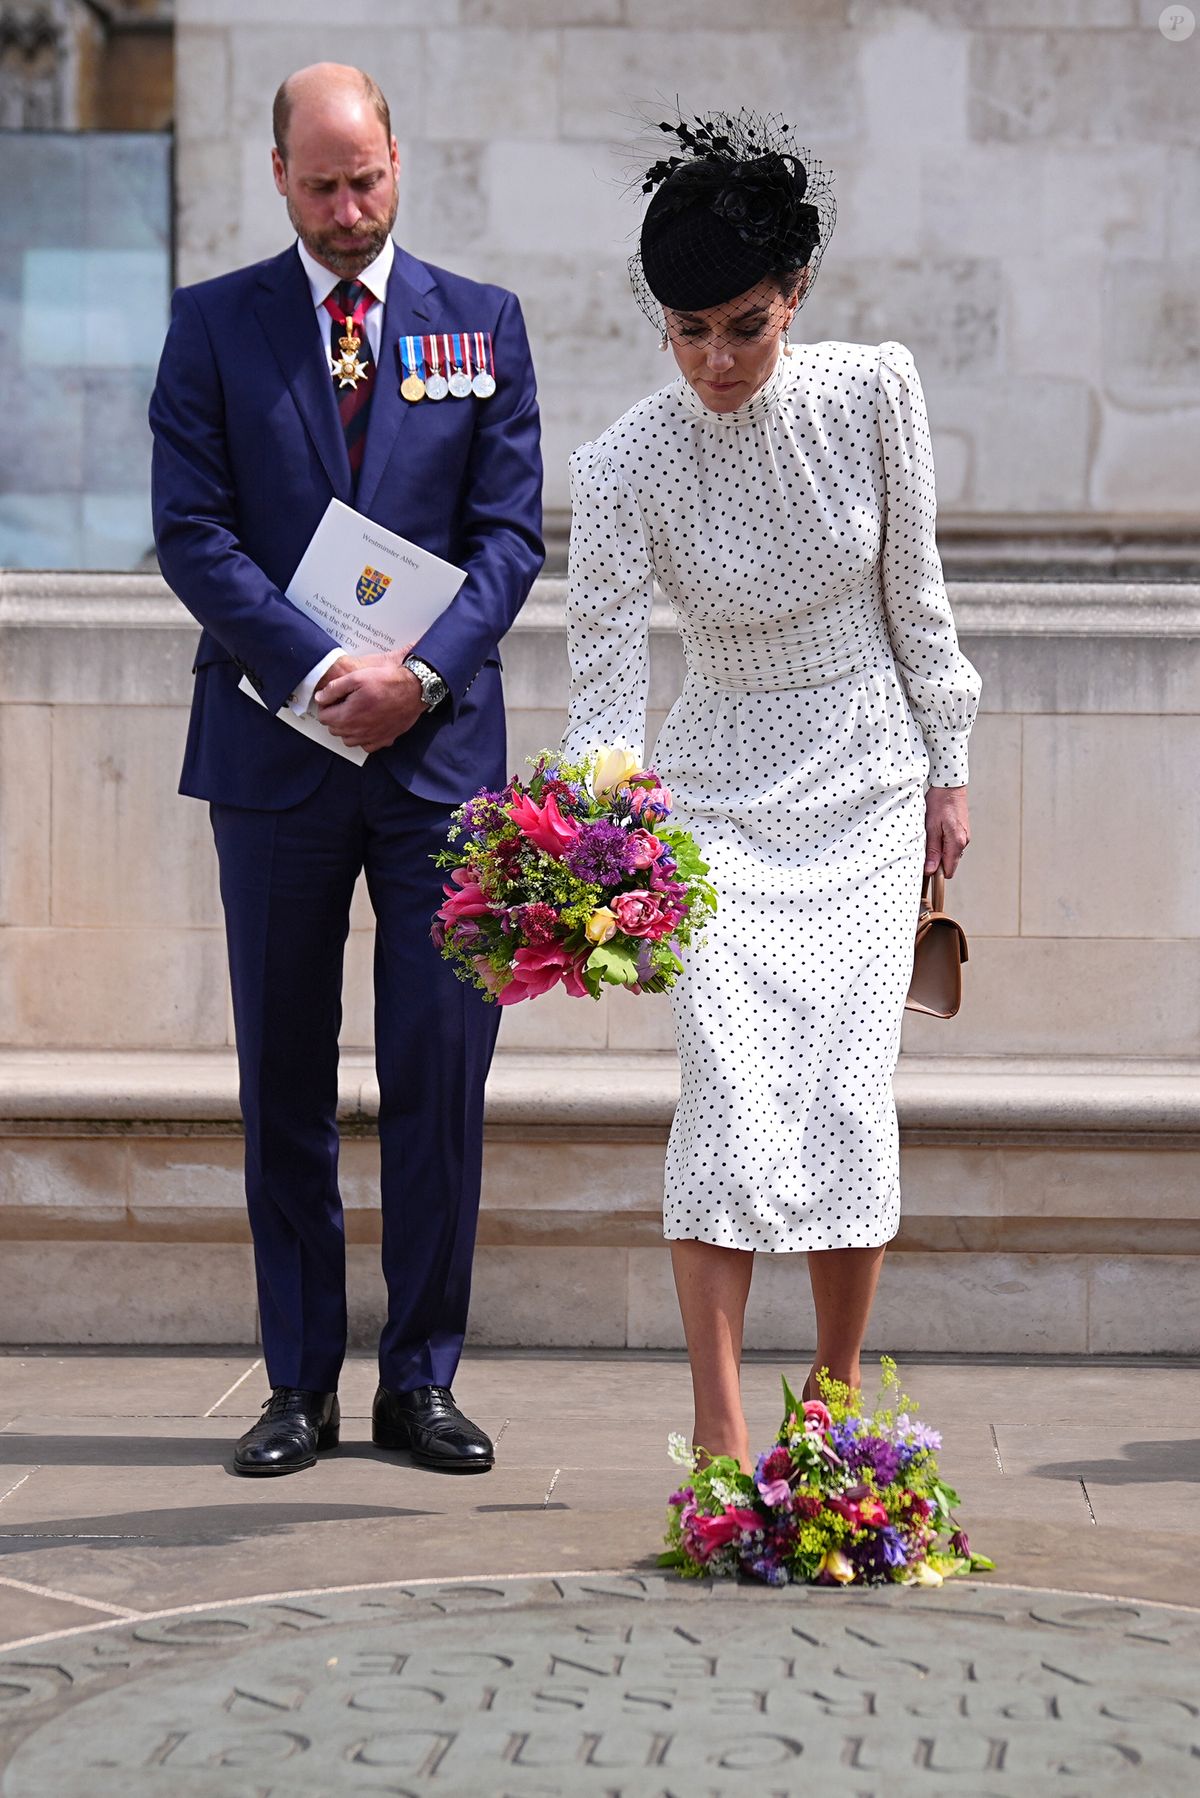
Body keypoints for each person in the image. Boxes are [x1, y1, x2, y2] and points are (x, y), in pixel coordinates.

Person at [561, 110, 981, 1472]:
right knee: (730, 1091)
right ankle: (720, 1424)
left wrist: (950, 765)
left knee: (853, 1093)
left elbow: (918, 600)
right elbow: (608, 692)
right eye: (686, 332)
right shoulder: (625, 463)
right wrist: (602, 852)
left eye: (742, 324)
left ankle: (839, 1400)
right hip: (720, 801)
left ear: (794, 292)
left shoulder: (874, 393)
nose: (715, 360)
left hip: (868, 776)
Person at [150, 63, 543, 1477]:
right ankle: (300, 1386)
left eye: (365, 178)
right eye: (319, 185)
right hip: (276, 758)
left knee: (441, 1076)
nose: (347, 207)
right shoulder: (213, 330)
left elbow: (510, 538)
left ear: (399, 158)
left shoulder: (480, 326)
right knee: (286, 1081)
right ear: (277, 177)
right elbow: (193, 531)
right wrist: (322, 672)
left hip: (439, 763)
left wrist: (417, 673)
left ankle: (420, 1379)